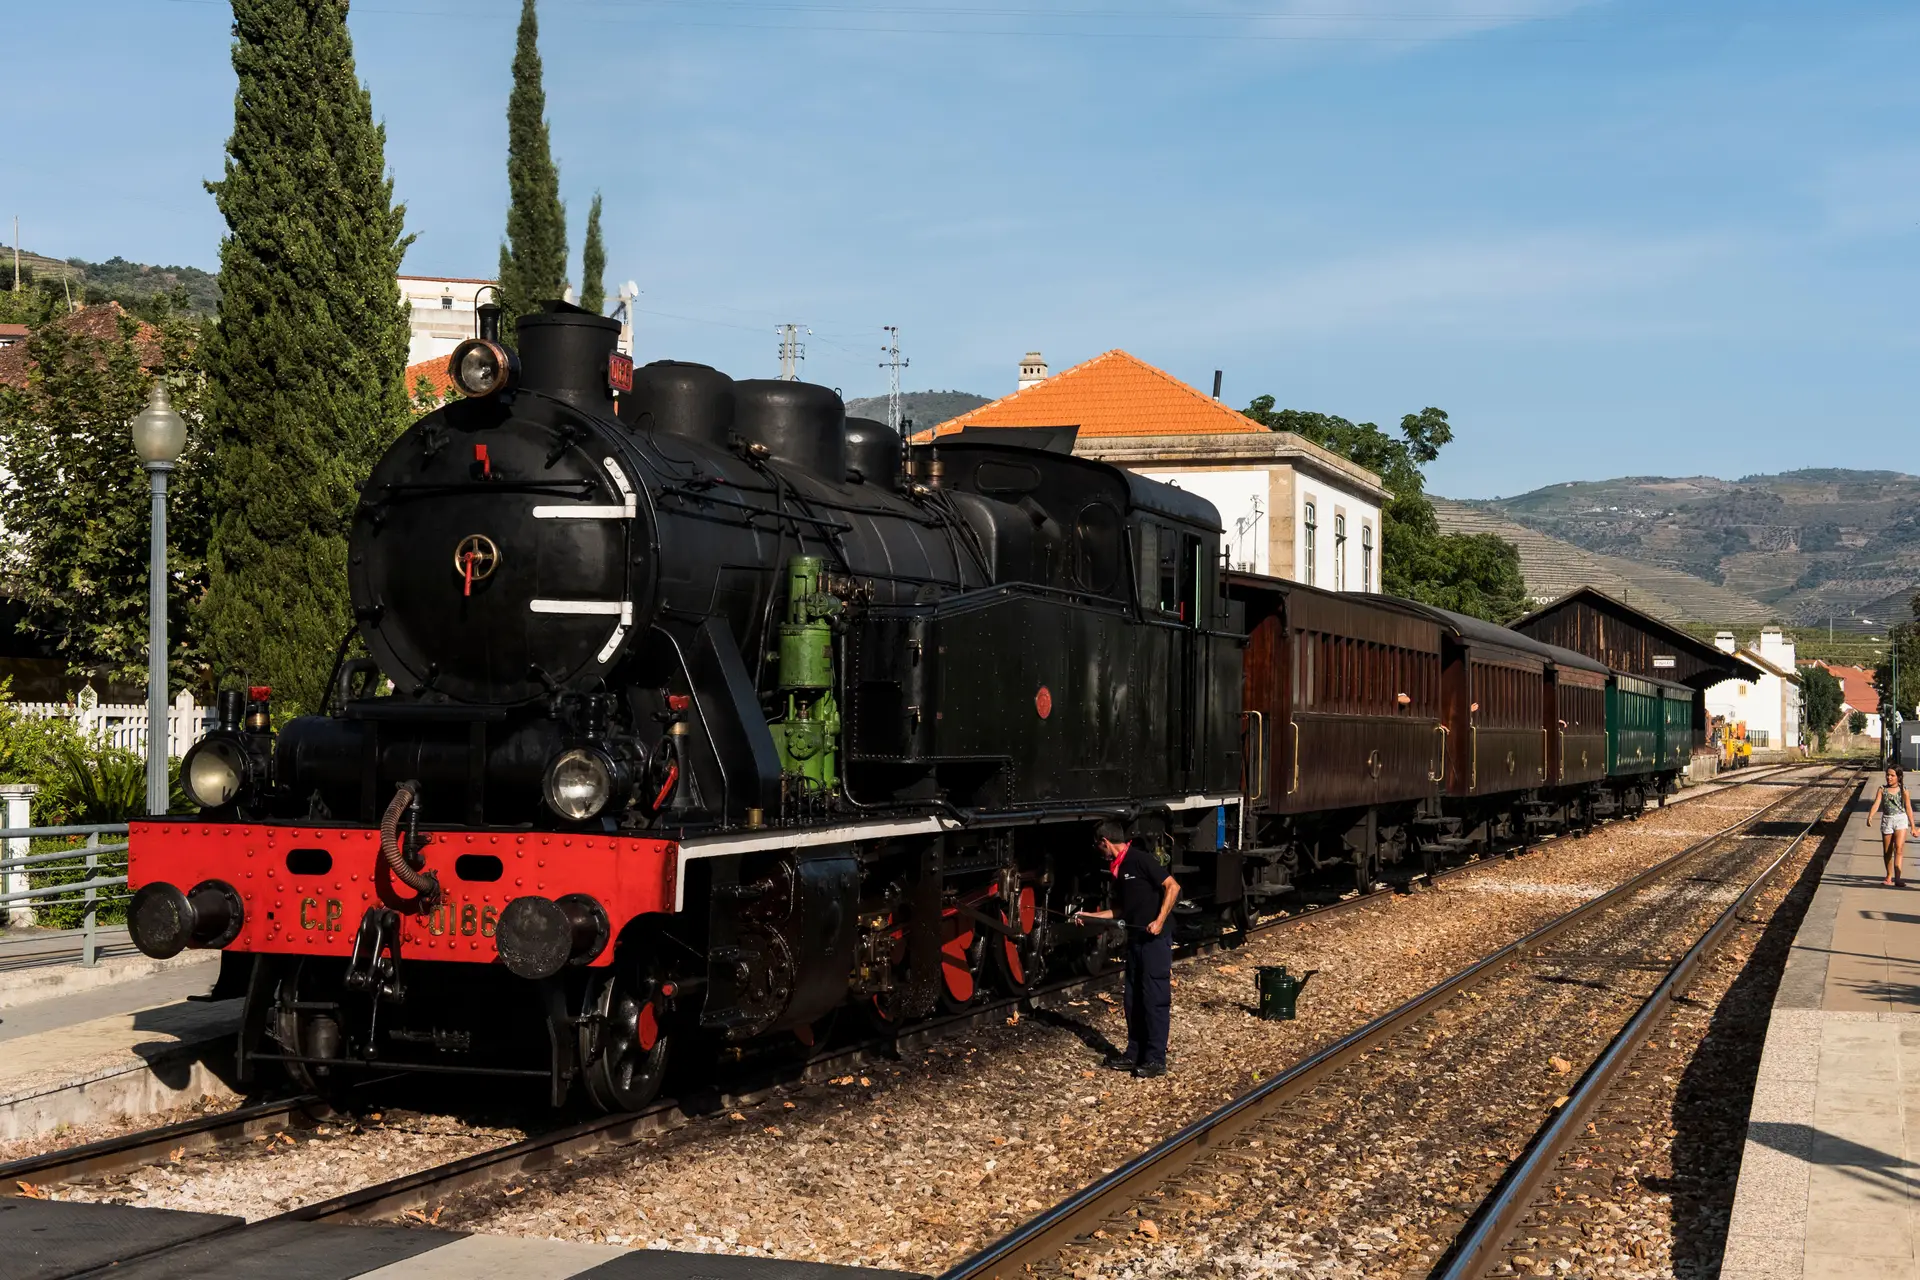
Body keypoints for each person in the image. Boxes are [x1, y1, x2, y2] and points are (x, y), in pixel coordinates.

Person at [1079, 820, 1181, 1078]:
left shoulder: (1140, 859)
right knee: (1132, 999)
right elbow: (1120, 910)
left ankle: (1156, 1059)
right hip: (1135, 940)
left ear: (1105, 842)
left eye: (1097, 846)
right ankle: (1134, 1053)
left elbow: (1173, 886)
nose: (1097, 851)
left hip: (1155, 941)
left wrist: (1159, 921)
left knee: (1154, 998)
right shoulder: (1119, 868)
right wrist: (1090, 917)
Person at [1869, 766, 1915, 887]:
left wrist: (1913, 826)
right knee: (1887, 851)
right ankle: (1889, 876)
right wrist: (1870, 816)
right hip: (1887, 820)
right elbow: (1877, 803)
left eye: (1892, 775)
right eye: (1887, 775)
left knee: (1899, 849)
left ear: (1898, 777)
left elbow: (1908, 808)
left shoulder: (1904, 790)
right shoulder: (1882, 789)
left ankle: (1898, 878)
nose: (1889, 777)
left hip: (1901, 819)